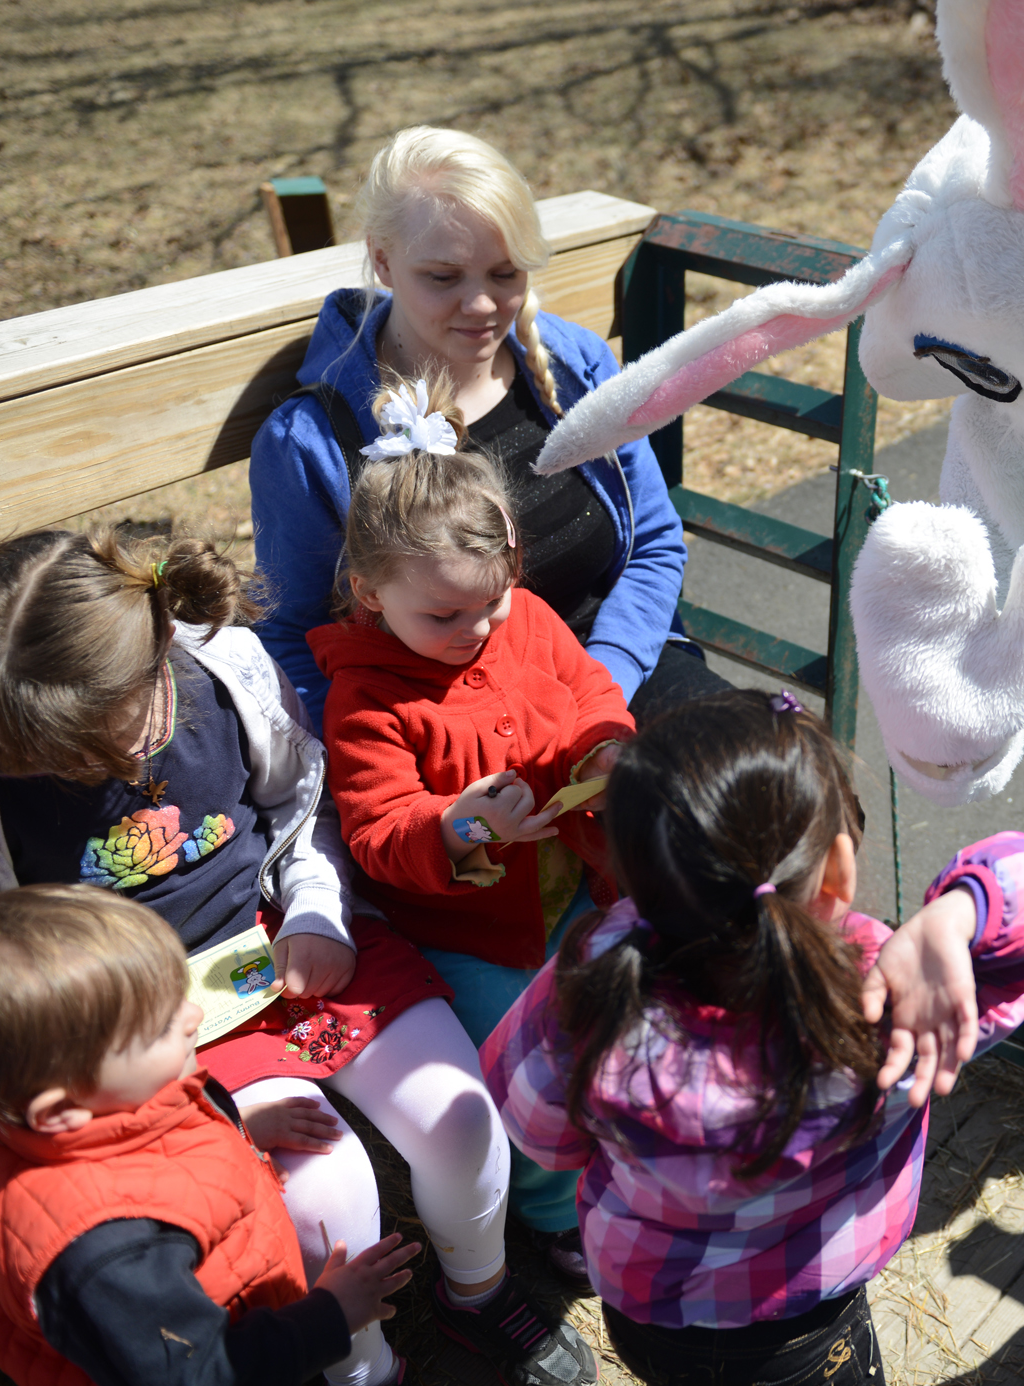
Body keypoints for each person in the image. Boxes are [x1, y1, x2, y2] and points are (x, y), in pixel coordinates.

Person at [0, 518, 546, 1386]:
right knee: (323, 1196)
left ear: (160, 649)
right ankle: (365, 1369)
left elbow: (300, 809)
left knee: (460, 1116)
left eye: (101, 739)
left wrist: (318, 912)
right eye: (62, 758)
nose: (92, 768)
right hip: (144, 1022)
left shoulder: (224, 671)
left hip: (289, 935)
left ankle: (478, 1291)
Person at [481, 688, 1024, 1385]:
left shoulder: (590, 975)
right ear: (838, 870)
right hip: (807, 1326)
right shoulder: (890, 1001)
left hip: (648, 1309)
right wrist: (961, 913)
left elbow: (539, 1131)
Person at [308, 373, 631, 1330]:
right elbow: (376, 831)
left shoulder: (521, 621)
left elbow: (588, 696)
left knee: (609, 1024)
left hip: (570, 887)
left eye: (488, 605)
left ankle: (608, 1156)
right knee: (522, 1061)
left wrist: (606, 748)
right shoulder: (366, 697)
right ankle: (544, 1209)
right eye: (442, 617)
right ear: (370, 593)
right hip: (468, 931)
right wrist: (453, 826)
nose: (474, 632)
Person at [249, 123, 724, 737]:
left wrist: (600, 693)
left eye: (505, 274)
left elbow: (654, 543)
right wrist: (368, 756)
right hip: (445, 727)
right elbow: (292, 632)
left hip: (610, 673)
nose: (481, 306)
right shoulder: (310, 443)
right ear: (384, 260)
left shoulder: (574, 364)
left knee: (778, 795)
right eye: (444, 278)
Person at [0, 884, 422, 1386]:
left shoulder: (72, 1111)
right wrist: (331, 1315)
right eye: (160, 1026)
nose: (194, 1017)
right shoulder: (105, 1257)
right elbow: (202, 1373)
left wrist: (240, 1127)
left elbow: (150, 1153)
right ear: (59, 1111)